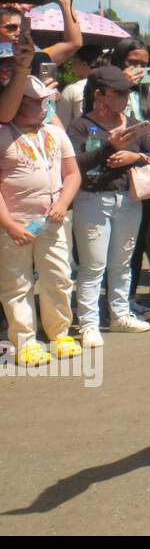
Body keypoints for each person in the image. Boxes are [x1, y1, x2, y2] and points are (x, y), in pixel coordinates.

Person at [67, 66, 150, 345]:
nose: (125, 97)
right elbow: (74, 164)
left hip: (129, 199)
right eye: (119, 92)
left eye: (127, 92)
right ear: (100, 95)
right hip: (92, 199)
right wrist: (110, 148)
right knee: (92, 265)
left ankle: (120, 314)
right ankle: (88, 322)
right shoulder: (80, 126)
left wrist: (133, 158)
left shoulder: (132, 122)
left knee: (122, 263)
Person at [0, 76, 81, 365]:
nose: (40, 106)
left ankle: (60, 333)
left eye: (43, 100)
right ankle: (24, 341)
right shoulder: (2, 133)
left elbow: (72, 174)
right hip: (14, 223)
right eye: (32, 100)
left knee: (58, 277)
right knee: (16, 283)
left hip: (53, 220)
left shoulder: (55, 133)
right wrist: (9, 224)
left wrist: (62, 203)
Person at [112, 38, 150, 319]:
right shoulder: (102, 88)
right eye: (132, 62)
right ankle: (110, 301)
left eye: (143, 64)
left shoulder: (148, 93)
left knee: (135, 239)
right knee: (107, 244)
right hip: (109, 174)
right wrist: (119, 85)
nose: (137, 68)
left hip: (140, 173)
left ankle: (128, 297)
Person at [54, 45, 101, 128]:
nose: (72, 68)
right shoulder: (110, 86)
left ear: (84, 64)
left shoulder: (72, 89)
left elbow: (61, 123)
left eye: (74, 62)